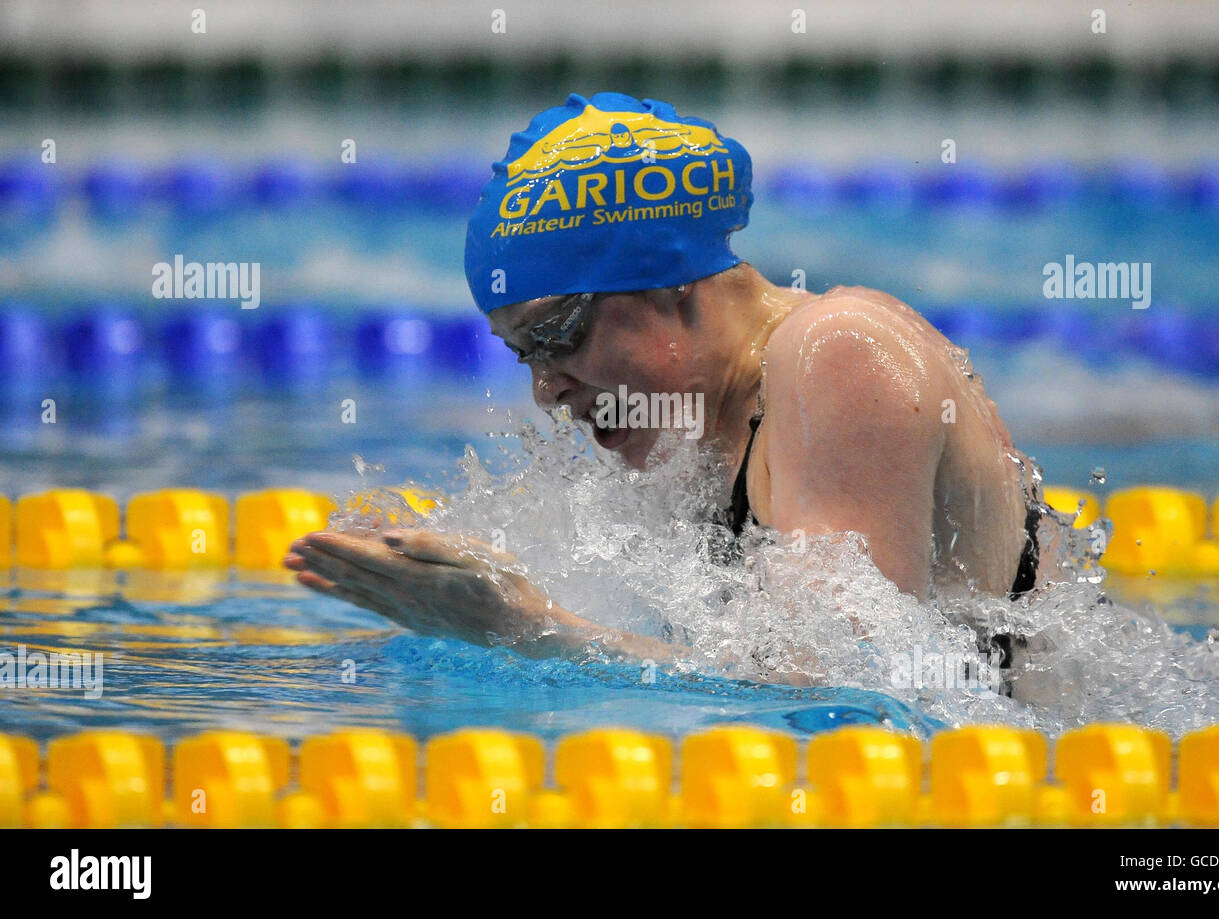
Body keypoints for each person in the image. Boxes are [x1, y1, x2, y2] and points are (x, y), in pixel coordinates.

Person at [283, 92, 1042, 668]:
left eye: (558, 335)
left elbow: (851, 694)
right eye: (527, 357)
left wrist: (522, 627)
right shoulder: (697, 431)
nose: (548, 388)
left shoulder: (836, 356)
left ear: (669, 281)